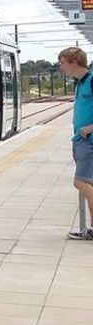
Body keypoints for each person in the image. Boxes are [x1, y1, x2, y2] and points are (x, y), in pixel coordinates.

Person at [59, 47, 93, 240]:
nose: (61, 67)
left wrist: (90, 128)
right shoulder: (79, 83)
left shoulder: (92, 81)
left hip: (88, 140)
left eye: (62, 62)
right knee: (89, 182)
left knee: (80, 182)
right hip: (81, 140)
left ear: (73, 62)